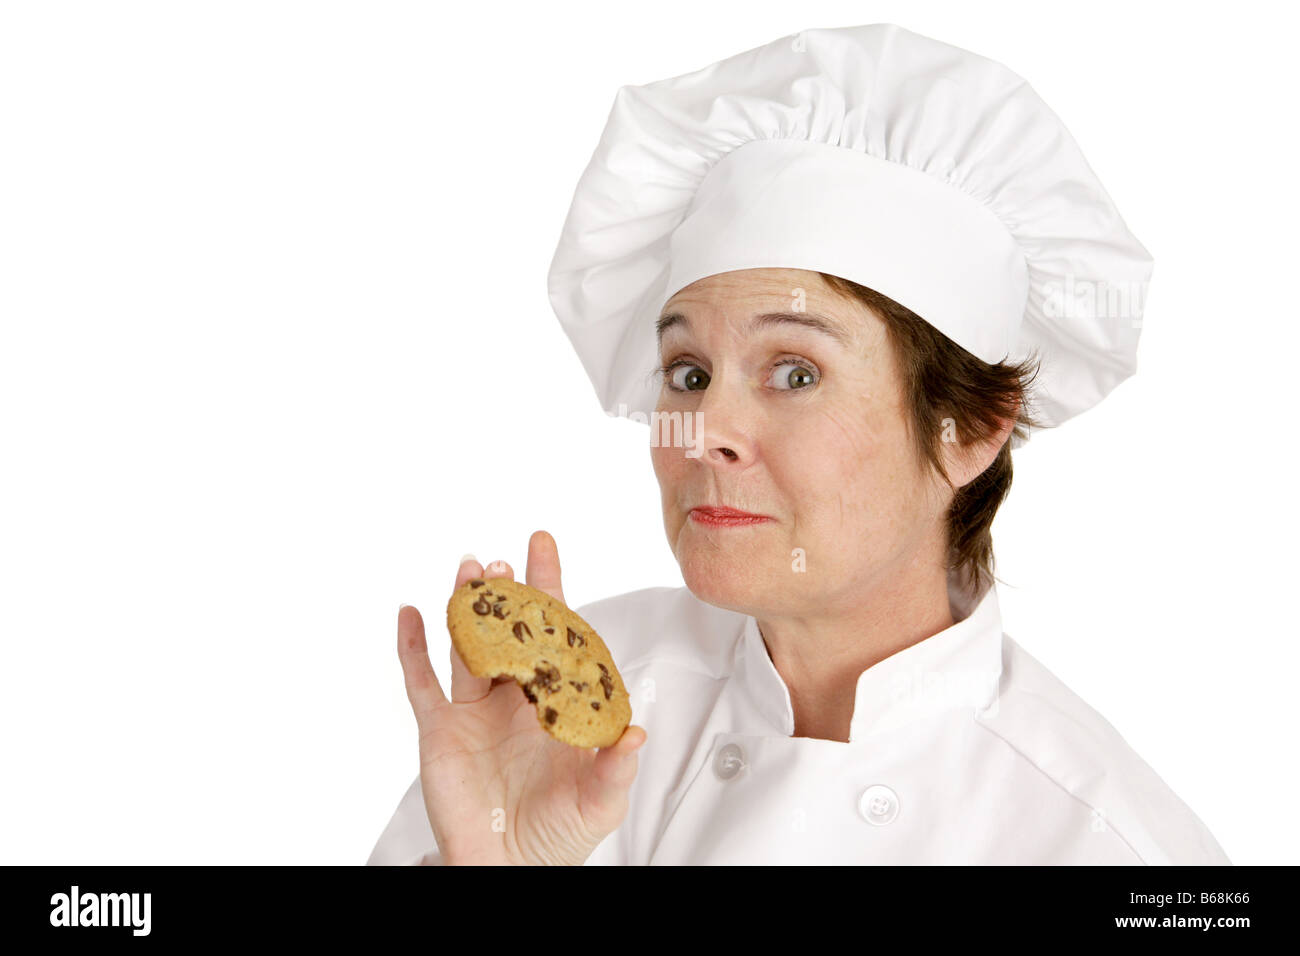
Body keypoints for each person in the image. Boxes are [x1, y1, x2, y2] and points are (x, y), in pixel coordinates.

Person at [368, 23, 1231, 865]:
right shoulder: (549, 721)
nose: (703, 433)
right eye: (689, 372)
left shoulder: (1116, 844)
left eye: (796, 373)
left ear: (969, 428)